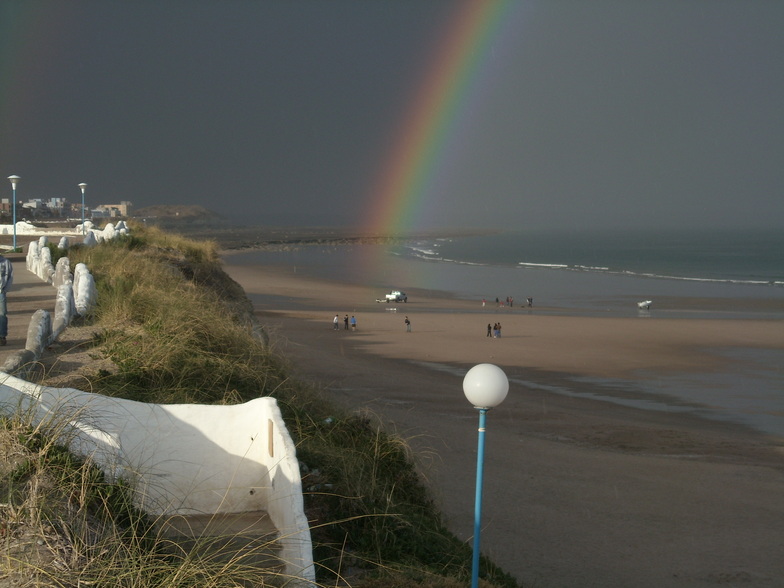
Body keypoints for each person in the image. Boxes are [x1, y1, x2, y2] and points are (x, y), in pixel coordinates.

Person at [0, 253, 13, 346]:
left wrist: (5, 290)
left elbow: (10, 277)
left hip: (1, 292)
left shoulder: (5, 262)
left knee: (2, 314)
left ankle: (2, 336)